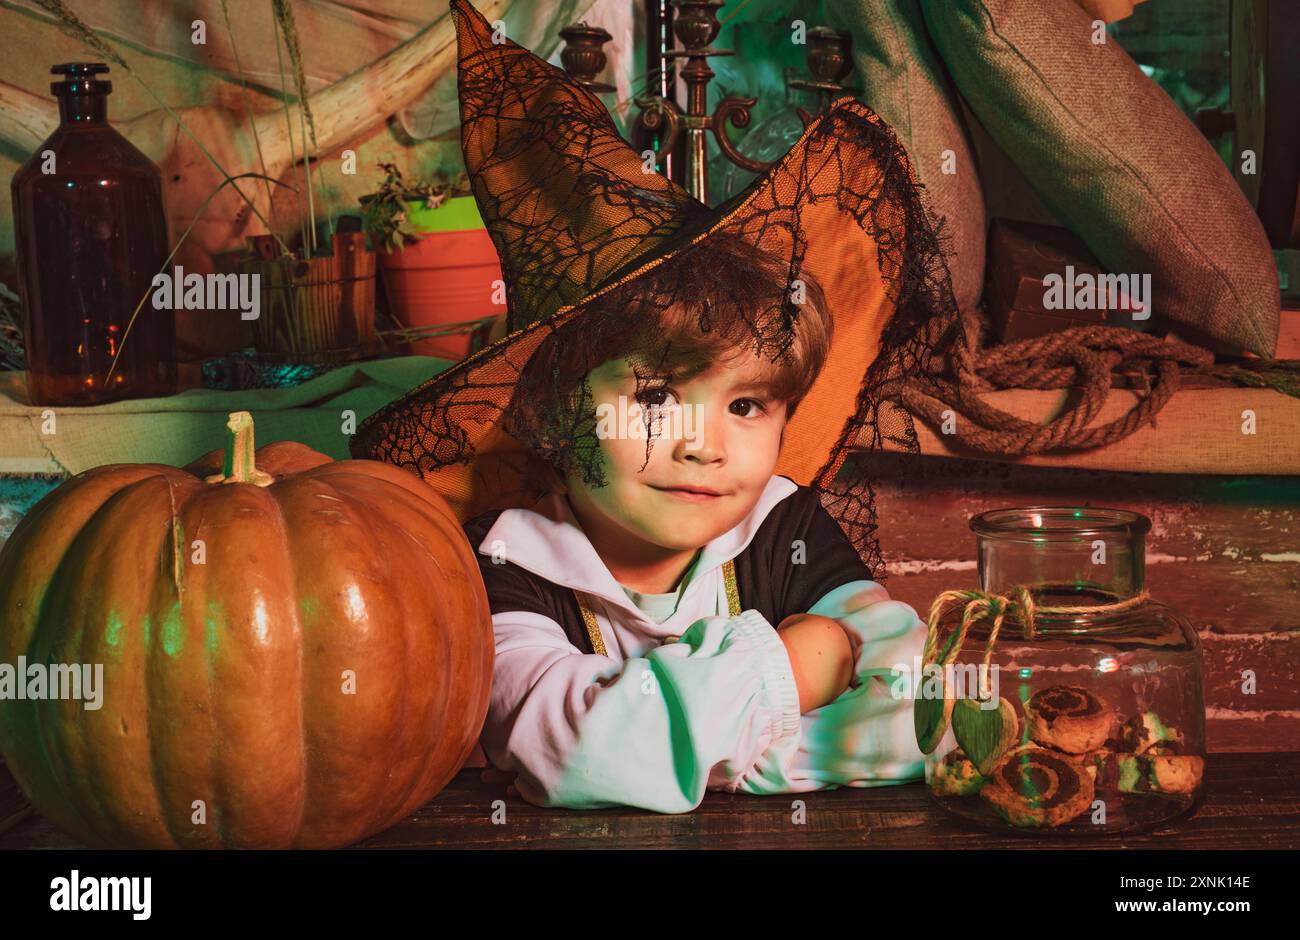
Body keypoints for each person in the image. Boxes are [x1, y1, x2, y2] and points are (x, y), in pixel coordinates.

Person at [351, 0, 964, 813]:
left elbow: (930, 716)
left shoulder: (782, 530)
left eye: (746, 405)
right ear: (556, 411)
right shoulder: (504, 567)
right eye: (655, 398)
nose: (706, 447)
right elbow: (574, 755)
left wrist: (713, 758)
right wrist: (793, 666)